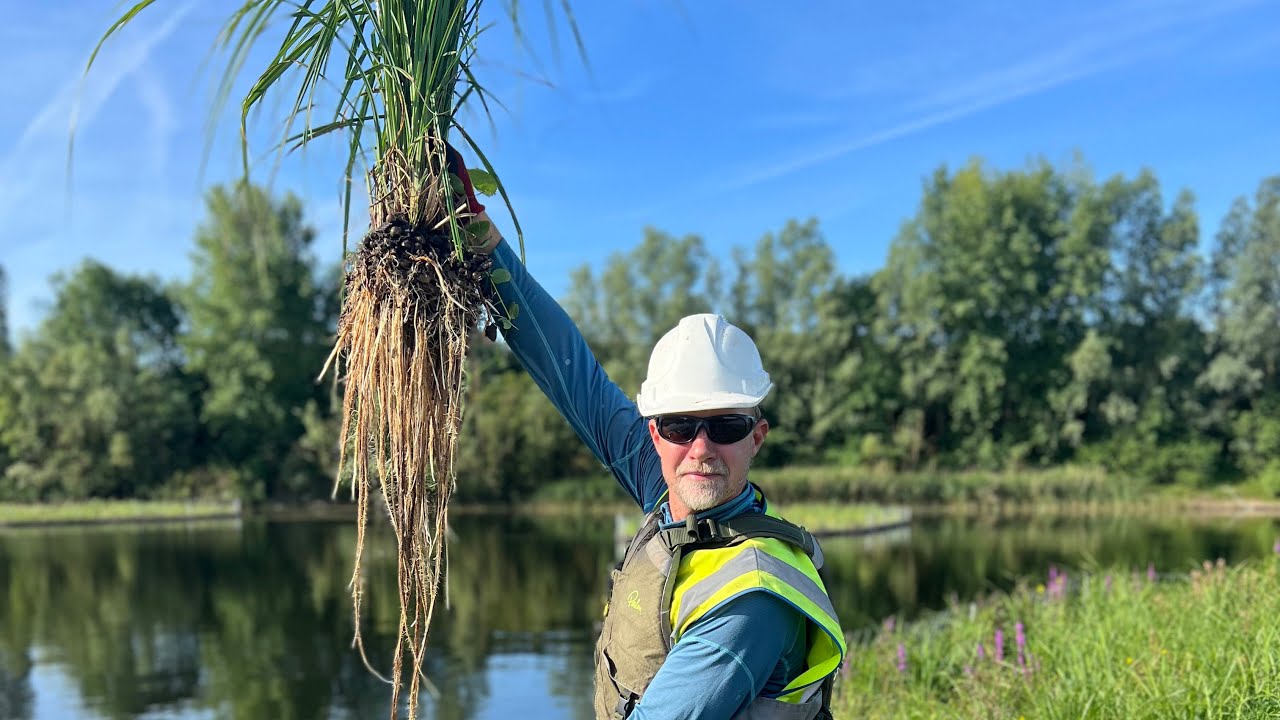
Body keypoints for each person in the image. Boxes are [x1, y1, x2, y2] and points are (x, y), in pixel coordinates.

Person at [452, 152, 845, 720]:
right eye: (681, 426)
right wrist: (488, 255)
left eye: (726, 426)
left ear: (756, 437)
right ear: (654, 434)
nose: (701, 448)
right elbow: (572, 376)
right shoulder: (671, 499)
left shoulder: (753, 596)